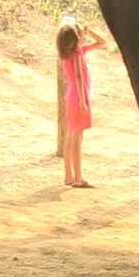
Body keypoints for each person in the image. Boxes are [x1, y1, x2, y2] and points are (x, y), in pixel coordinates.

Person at [57, 16, 105, 188]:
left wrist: (88, 32)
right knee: (77, 138)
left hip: (72, 96)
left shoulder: (70, 53)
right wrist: (84, 102)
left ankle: (68, 176)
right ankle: (78, 178)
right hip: (78, 97)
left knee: (71, 136)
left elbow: (102, 42)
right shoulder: (77, 54)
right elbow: (78, 78)